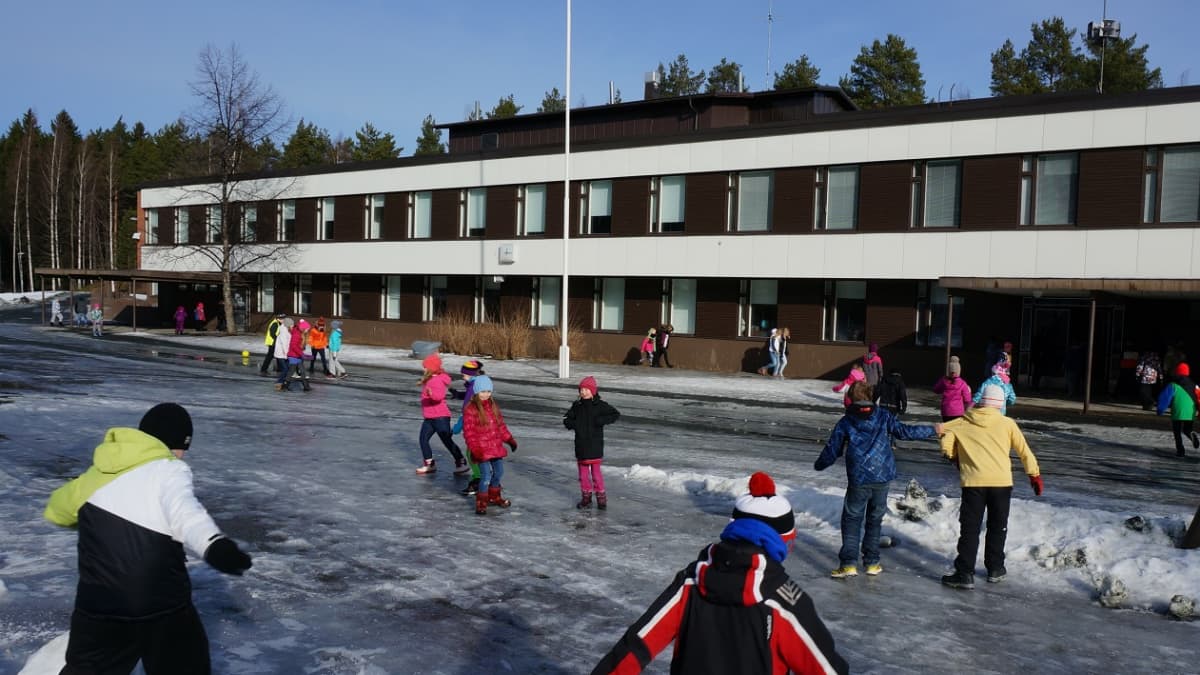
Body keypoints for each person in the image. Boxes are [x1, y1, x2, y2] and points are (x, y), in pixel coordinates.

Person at [43, 402, 253, 673]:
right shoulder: (168, 470)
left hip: (97, 606)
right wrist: (214, 544)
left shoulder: (95, 476)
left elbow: (57, 510)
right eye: (183, 448)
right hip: (159, 605)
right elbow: (185, 513)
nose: (182, 456)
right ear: (173, 443)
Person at [591, 471, 849, 675]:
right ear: (783, 541)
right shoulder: (784, 601)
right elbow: (825, 669)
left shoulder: (690, 582)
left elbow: (637, 645)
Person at [815, 381, 940, 578]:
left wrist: (820, 464)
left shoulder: (846, 421)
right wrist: (933, 429)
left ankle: (849, 564)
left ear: (852, 398)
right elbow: (905, 432)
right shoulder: (883, 416)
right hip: (882, 476)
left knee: (852, 519)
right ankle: (872, 562)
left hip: (859, 477)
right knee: (874, 519)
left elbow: (833, 449)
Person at [939, 384, 1043, 589]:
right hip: (1001, 484)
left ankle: (964, 573)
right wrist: (1034, 474)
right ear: (1000, 404)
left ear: (981, 401)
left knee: (970, 528)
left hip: (973, 483)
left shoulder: (962, 422)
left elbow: (944, 437)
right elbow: (1024, 451)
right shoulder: (1007, 423)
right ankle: (995, 568)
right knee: (997, 526)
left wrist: (953, 455)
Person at [461, 375, 517, 514]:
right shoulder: (471, 409)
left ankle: (494, 497)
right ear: (476, 392)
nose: (486, 394)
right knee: (485, 476)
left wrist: (509, 439)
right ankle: (481, 501)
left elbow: (501, 426)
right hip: (481, 450)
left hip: (495, 447)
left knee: (499, 472)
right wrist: (475, 450)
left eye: (488, 391)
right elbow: (469, 433)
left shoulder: (493, 406)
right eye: (482, 391)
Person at [563, 375, 621, 509]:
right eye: (581, 389)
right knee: (583, 476)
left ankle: (601, 499)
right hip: (581, 446)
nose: (583, 392)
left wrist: (600, 421)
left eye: (586, 389)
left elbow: (615, 414)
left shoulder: (599, 405)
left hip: (594, 446)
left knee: (596, 474)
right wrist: (574, 424)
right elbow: (566, 419)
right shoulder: (577, 406)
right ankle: (586, 498)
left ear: (593, 391)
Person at [416, 352, 470, 475]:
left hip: (440, 417)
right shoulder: (430, 379)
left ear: (431, 369)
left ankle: (461, 462)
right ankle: (429, 464)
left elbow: (439, 397)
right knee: (423, 439)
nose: (423, 369)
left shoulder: (437, 380)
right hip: (429, 417)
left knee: (446, 440)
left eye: (425, 367)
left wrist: (431, 395)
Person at [451, 359, 486, 495]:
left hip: (475, 427)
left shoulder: (474, 388)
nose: (462, 376)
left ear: (471, 375)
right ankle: (483, 478)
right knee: (473, 453)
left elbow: (471, 407)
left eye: (464, 374)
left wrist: (460, 424)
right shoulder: (473, 386)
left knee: (472, 454)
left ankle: (479, 479)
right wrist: (458, 394)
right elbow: (469, 398)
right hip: (474, 427)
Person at [1156, 363, 1200, 458]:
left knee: (1177, 432)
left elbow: (1165, 398)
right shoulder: (1194, 385)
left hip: (1177, 412)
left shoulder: (1173, 385)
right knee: (1187, 429)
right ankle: (1191, 435)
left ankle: (1181, 451)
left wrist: (1160, 410)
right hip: (1190, 412)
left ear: (1177, 373)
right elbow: (1199, 398)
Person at [934, 357, 972, 422]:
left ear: (948, 371)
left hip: (946, 411)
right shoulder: (963, 383)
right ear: (959, 371)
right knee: (955, 429)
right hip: (958, 412)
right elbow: (967, 399)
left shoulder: (943, 381)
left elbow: (936, 390)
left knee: (947, 429)